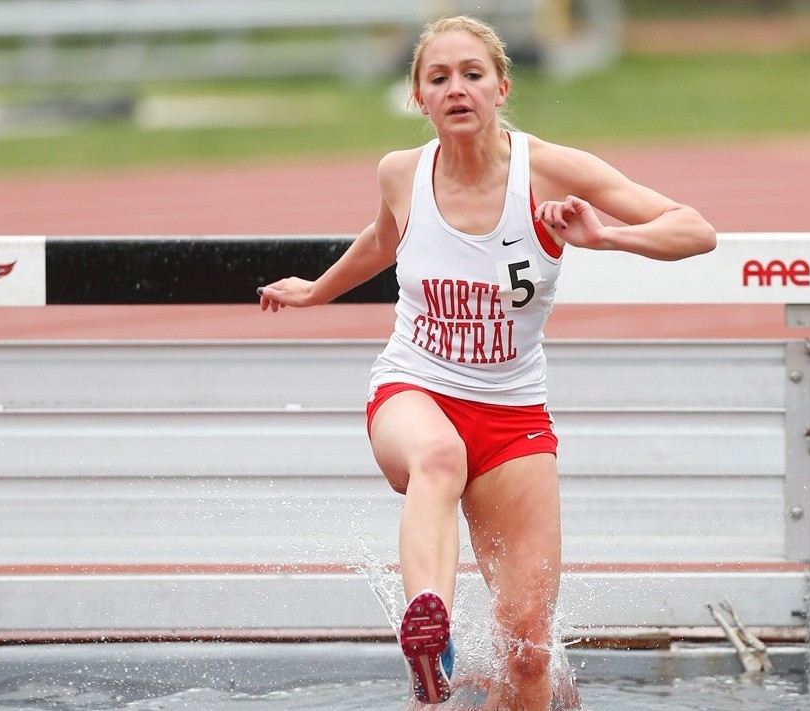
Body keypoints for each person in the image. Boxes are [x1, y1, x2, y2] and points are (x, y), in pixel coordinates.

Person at [259, 15, 716, 710]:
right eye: (438, 78)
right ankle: (431, 640)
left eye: (472, 74)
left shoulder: (551, 170)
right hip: (415, 389)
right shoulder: (400, 173)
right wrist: (317, 289)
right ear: (418, 98)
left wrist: (605, 237)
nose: (456, 89)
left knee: (528, 649)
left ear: (501, 88)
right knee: (439, 457)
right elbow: (383, 240)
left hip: (512, 416)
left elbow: (695, 230)